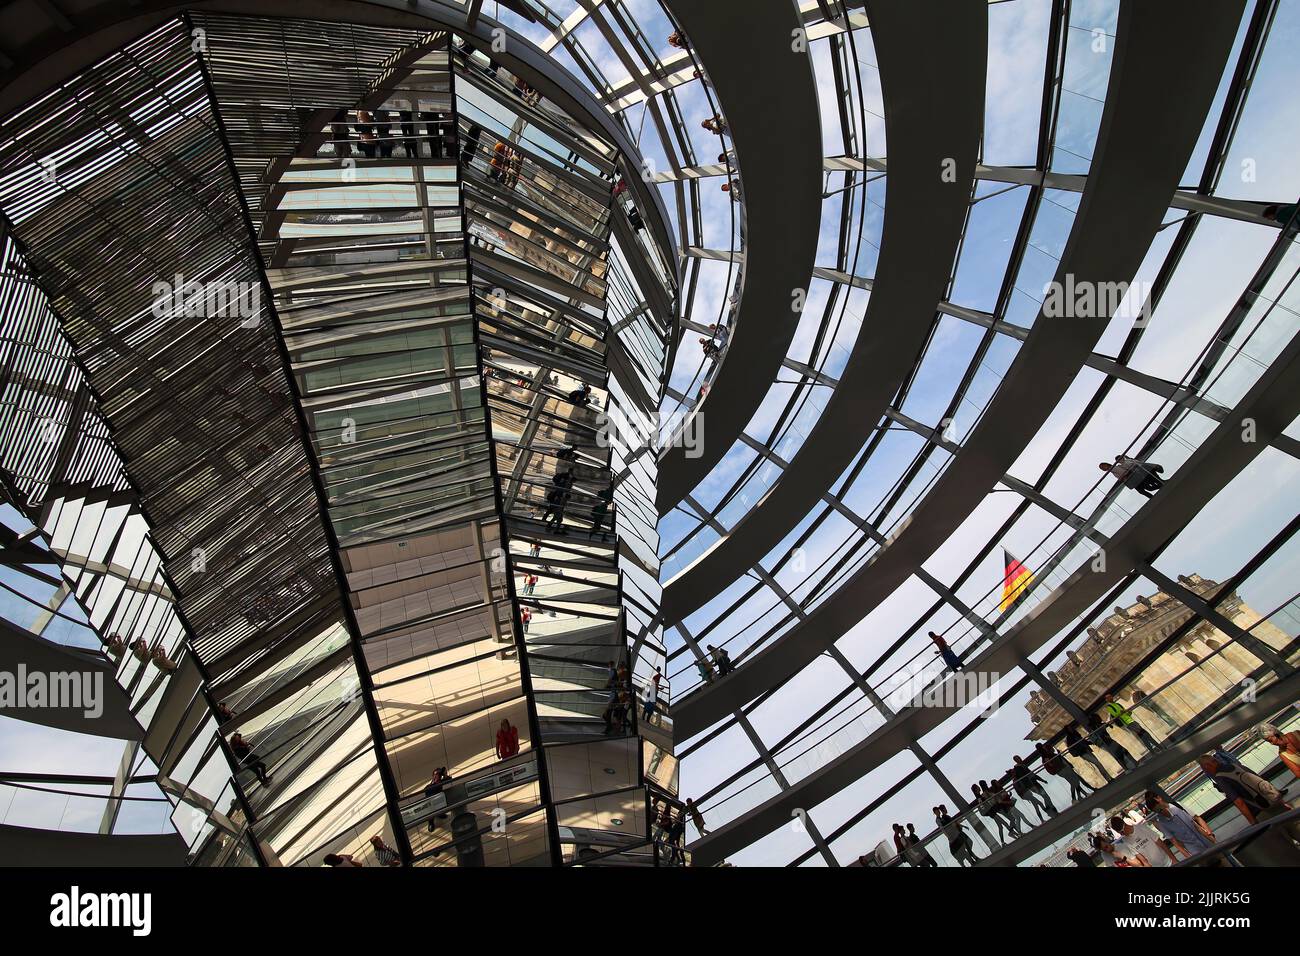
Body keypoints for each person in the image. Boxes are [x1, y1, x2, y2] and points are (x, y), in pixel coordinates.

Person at [1198, 752, 1300, 843]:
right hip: (1274, 801)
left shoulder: (1221, 778)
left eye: (1204, 768)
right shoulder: (1235, 766)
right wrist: (1280, 800)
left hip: (1261, 811)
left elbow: (1239, 802)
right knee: (1296, 827)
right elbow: (1260, 780)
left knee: (1283, 841)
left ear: (1207, 766)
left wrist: (1253, 822)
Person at [1144, 790, 1216, 859]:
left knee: (1222, 857)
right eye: (1157, 811)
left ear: (1159, 798)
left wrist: (1210, 835)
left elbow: (1196, 823)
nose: (1161, 812)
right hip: (1194, 849)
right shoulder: (1162, 822)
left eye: (1160, 809)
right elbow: (1176, 843)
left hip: (1205, 840)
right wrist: (1189, 857)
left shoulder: (1177, 806)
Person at [1111, 814, 1177, 867]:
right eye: (1120, 833)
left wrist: (1174, 860)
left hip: (1168, 862)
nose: (1122, 834)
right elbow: (1143, 859)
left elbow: (1161, 843)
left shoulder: (1141, 827)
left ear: (1125, 825)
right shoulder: (1125, 840)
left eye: (1122, 832)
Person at [1010, 755, 1057, 821]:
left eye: (1019, 758)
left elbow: (1031, 774)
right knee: (1045, 797)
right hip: (1032, 785)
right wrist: (1031, 785)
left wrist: (1041, 780)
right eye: (1018, 758)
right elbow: (1027, 777)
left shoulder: (1022, 766)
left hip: (1034, 784)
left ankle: (1052, 811)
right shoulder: (1018, 768)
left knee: (1045, 797)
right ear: (1016, 760)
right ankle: (1052, 811)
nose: (1020, 759)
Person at [1100, 454, 1165, 497]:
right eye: (1102, 468)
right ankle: (1159, 486)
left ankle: (1159, 486)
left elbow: (1125, 472)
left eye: (1103, 467)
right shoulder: (1113, 470)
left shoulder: (1115, 467)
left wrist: (1122, 477)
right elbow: (1122, 474)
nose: (1103, 468)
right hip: (1132, 477)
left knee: (1147, 485)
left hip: (1134, 477)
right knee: (1146, 487)